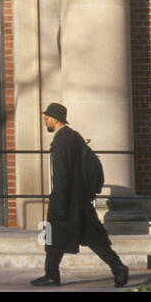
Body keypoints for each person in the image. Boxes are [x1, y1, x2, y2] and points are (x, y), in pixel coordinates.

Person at [31, 102, 130, 288]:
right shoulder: (74, 136)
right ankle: (118, 267)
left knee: (55, 236)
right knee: (89, 237)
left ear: (55, 119)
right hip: (80, 199)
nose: (46, 121)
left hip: (66, 200)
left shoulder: (61, 140)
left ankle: (52, 275)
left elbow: (62, 175)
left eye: (47, 118)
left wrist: (58, 205)